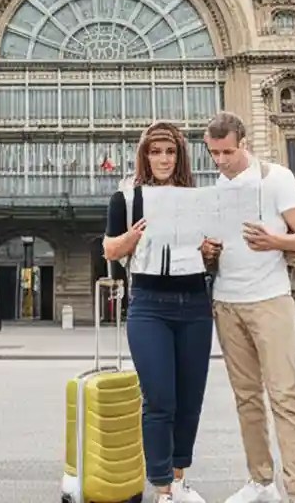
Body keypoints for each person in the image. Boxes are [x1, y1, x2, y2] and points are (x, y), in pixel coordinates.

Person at [199, 111, 295, 503]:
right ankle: (261, 481)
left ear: (243, 143)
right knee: (246, 398)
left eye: (227, 152)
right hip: (226, 303)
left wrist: (276, 241)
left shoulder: (276, 179)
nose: (220, 160)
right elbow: (212, 253)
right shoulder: (213, 189)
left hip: (270, 300)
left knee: (285, 396)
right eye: (213, 153)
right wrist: (208, 252)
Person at [103, 121, 213, 503]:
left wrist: (211, 251)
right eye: (155, 151)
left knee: (190, 400)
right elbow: (110, 250)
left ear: (180, 155)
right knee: (160, 398)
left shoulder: (198, 197)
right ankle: (162, 486)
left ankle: (180, 480)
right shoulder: (126, 196)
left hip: (196, 304)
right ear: (145, 156)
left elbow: (212, 250)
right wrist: (130, 237)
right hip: (149, 304)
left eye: (170, 152)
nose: (163, 159)